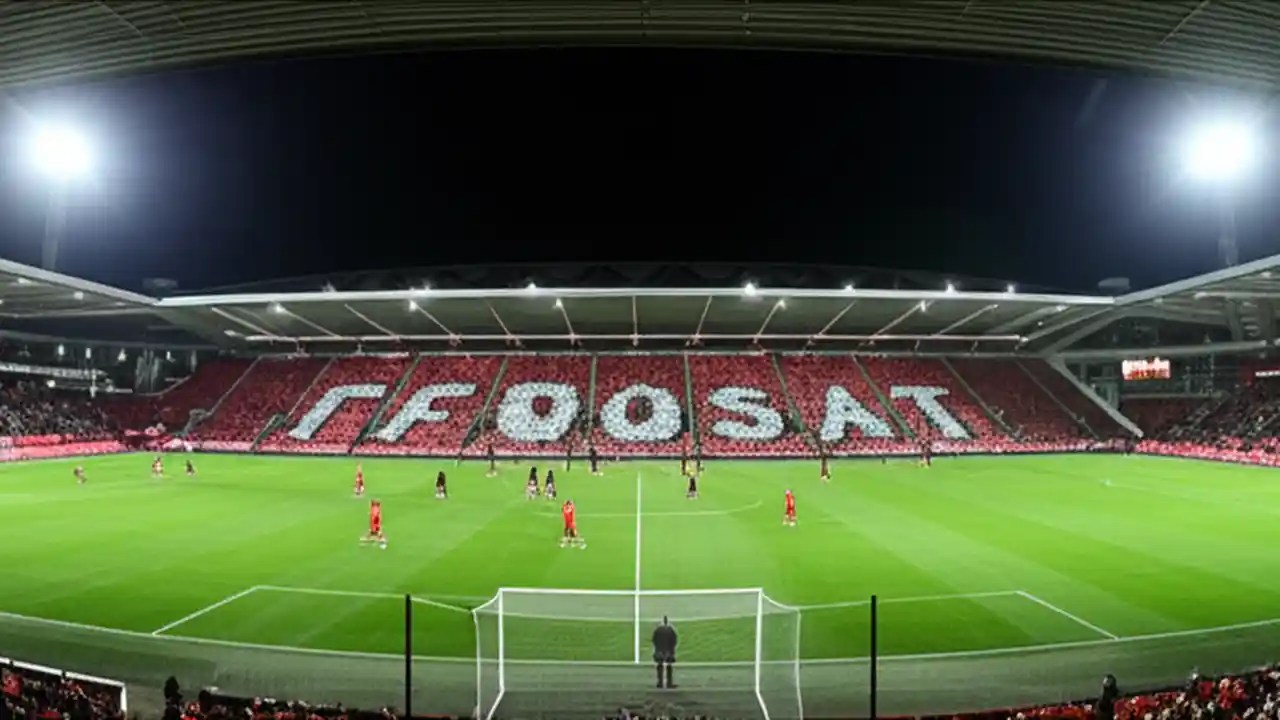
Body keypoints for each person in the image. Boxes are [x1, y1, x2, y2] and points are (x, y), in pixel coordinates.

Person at [652, 616, 677, 689]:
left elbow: (654, 640)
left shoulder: (658, 630)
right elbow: (674, 640)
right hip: (668, 650)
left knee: (660, 665)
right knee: (669, 666)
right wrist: (672, 648)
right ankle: (669, 683)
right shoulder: (670, 630)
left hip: (659, 650)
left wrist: (657, 648)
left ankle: (660, 683)